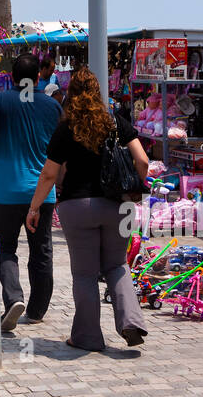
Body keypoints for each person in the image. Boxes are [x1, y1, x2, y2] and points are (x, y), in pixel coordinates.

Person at [26, 67, 149, 351]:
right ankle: (131, 322)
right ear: (98, 92)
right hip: (118, 206)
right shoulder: (116, 122)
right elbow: (142, 161)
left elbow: (48, 175)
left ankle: (88, 337)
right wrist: (137, 188)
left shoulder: (66, 128)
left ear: (71, 94)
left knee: (85, 273)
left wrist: (34, 208)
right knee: (118, 265)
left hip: (76, 206)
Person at [0, 53, 62, 331]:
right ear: (37, 78)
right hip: (43, 193)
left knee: (5, 248)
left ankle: (13, 300)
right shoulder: (52, 106)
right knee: (41, 250)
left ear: (11, 77)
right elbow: (61, 155)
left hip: (7, 192)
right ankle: (36, 311)